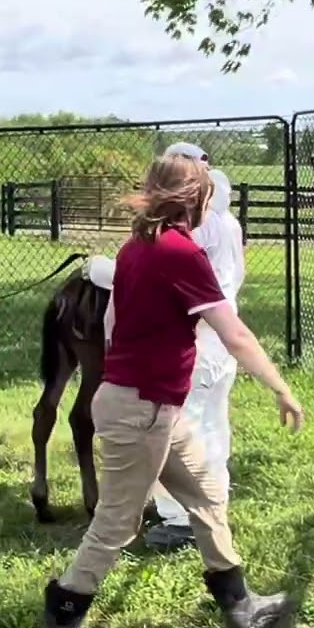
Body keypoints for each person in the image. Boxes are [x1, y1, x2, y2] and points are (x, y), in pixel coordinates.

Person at [41, 152, 304, 628]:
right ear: (195, 200)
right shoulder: (181, 254)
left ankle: (239, 605)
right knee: (117, 521)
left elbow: (113, 324)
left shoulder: (136, 247)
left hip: (150, 407)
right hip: (141, 412)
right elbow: (234, 333)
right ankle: (63, 616)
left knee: (206, 491)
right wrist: (280, 387)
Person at [84, 143, 246, 552]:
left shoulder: (180, 230)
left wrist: (97, 268)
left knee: (182, 429)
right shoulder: (227, 221)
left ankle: (180, 518)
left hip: (191, 343)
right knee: (213, 424)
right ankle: (212, 508)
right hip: (221, 342)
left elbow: (144, 277)